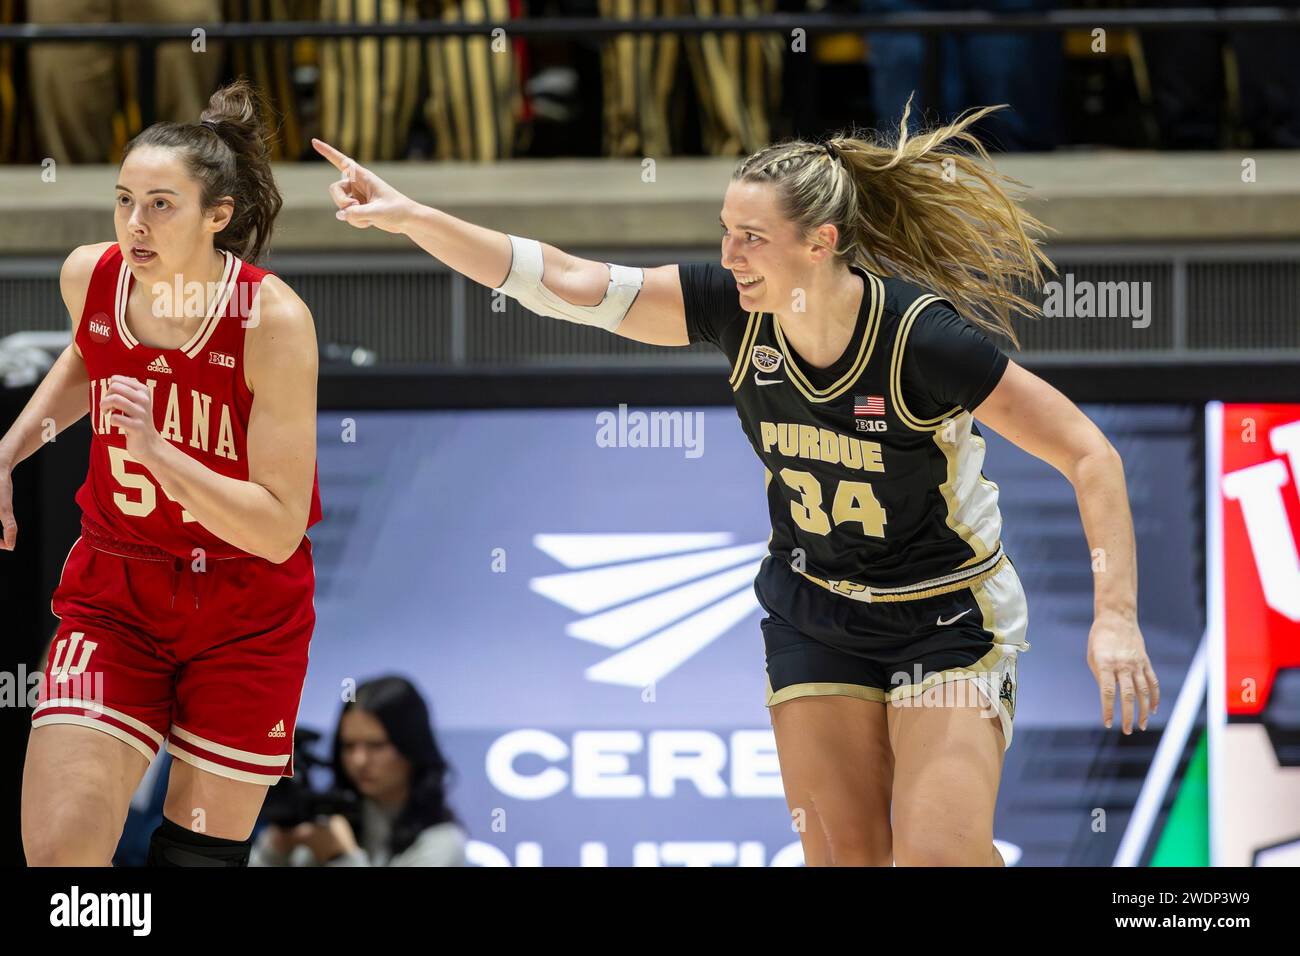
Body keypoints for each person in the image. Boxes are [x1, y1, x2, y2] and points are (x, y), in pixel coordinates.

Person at [309, 97, 1159, 866]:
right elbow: (567, 283)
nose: (729, 254)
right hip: (816, 611)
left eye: (750, 238)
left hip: (945, 614)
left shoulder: (918, 340)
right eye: (725, 231)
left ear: (820, 244)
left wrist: (1114, 617)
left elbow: (1090, 453)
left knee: (937, 858)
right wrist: (414, 216)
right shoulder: (729, 308)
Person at [3, 78, 323, 867]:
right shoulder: (93, 274)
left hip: (246, 606)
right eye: (123, 201)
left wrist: (163, 457)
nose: (134, 224)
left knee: (193, 862)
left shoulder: (271, 320)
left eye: (160, 205)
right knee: (62, 858)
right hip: (117, 590)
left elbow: (280, 528)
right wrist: (10, 447)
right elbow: (90, 352)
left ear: (219, 216)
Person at [251, 676, 467, 866]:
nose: (359, 760)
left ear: (412, 747)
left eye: (376, 745)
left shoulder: (442, 843)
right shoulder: (322, 821)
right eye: (349, 746)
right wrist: (277, 847)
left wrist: (341, 857)